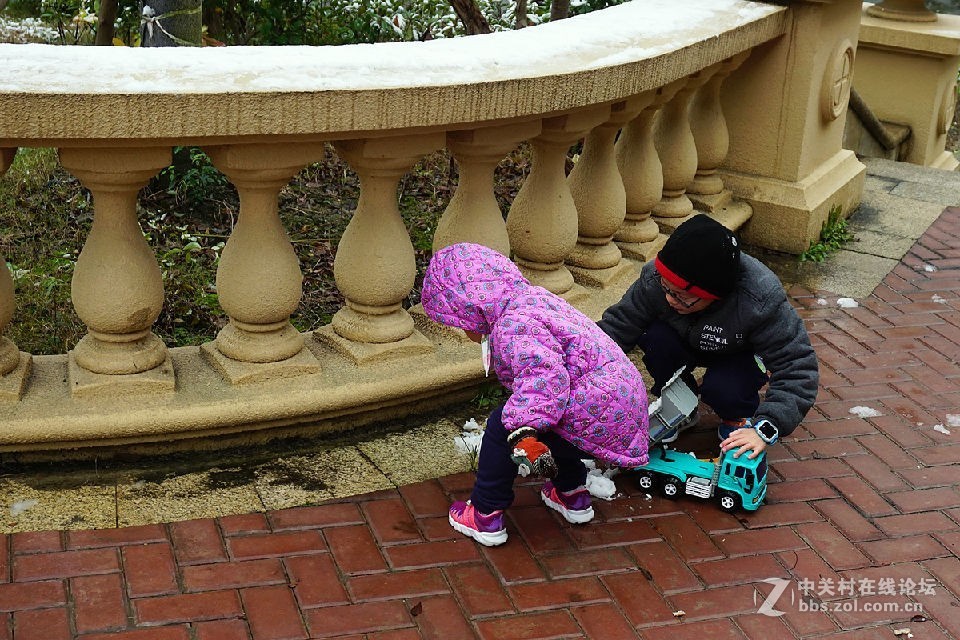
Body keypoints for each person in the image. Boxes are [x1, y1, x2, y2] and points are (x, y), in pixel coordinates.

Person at [421, 242, 650, 546]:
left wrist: (520, 429)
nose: (462, 331)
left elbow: (544, 379)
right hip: (619, 402)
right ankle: (572, 494)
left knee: (502, 428)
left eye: (458, 322)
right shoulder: (533, 299)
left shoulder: (513, 326)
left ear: (473, 309)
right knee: (556, 429)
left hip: (598, 408)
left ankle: (485, 514)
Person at [598, 214, 819, 459]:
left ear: (717, 295)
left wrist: (768, 425)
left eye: (682, 297)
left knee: (724, 388)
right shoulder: (656, 280)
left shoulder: (760, 299)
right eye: (667, 290)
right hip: (683, 342)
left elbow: (798, 367)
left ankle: (737, 417)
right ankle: (681, 405)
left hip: (738, 353)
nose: (671, 300)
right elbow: (617, 328)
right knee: (655, 337)